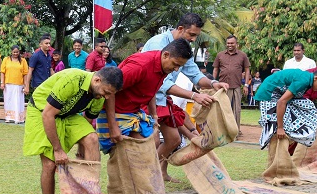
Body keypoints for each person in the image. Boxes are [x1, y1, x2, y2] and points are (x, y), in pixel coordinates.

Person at [24, 66, 122, 194]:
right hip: (42, 111)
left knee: (91, 139)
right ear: (97, 80)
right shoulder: (72, 80)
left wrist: (81, 150)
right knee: (49, 164)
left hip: (67, 114)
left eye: (110, 94)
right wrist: (58, 150)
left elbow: (88, 123)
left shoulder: (99, 96)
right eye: (106, 92)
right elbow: (48, 115)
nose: (106, 97)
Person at [141, 14, 229, 181]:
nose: (193, 39)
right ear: (180, 29)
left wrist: (213, 84)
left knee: (173, 139)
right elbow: (162, 83)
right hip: (147, 99)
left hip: (163, 99)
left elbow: (195, 74)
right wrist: (194, 95)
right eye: (192, 35)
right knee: (152, 141)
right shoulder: (157, 43)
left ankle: (156, 173)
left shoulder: (183, 48)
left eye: (196, 36)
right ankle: (146, 176)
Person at [96, 39, 191, 153]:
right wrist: (113, 127)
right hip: (115, 112)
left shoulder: (163, 67)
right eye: (175, 64)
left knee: (154, 141)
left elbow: (151, 90)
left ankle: (150, 170)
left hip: (134, 112)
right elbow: (110, 90)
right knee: (142, 147)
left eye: (179, 66)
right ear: (166, 55)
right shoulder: (140, 66)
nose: (176, 69)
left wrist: (154, 116)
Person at [254, 66, 317, 149]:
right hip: (268, 95)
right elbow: (281, 102)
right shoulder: (303, 81)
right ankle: (271, 137)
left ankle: (315, 118)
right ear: (316, 78)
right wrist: (280, 128)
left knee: (308, 104)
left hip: (280, 95)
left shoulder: (308, 79)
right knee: (279, 125)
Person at [212, 35, 252, 137]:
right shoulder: (220, 55)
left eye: (232, 43)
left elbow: (247, 70)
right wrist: (212, 82)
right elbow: (215, 69)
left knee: (236, 109)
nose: (230, 45)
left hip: (236, 86)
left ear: (236, 44)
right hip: (222, 87)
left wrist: (246, 85)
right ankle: (223, 131)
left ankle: (236, 131)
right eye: (228, 43)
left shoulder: (242, 55)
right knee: (222, 109)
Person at [0, 45, 29, 124]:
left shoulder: (23, 61)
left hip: (19, 84)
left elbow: (25, 74)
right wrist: (2, 83)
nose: (15, 54)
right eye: (14, 52)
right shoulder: (6, 59)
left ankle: (18, 118)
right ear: (11, 52)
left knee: (17, 101)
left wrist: (26, 85)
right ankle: (8, 117)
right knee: (8, 101)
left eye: (17, 52)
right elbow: (2, 72)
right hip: (8, 84)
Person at [26, 34, 54, 99]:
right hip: (38, 84)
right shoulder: (35, 56)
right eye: (46, 43)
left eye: (49, 43)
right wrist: (27, 86)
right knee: (39, 103)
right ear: (40, 44)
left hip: (47, 83)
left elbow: (51, 70)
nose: (48, 45)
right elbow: (30, 71)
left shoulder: (49, 56)